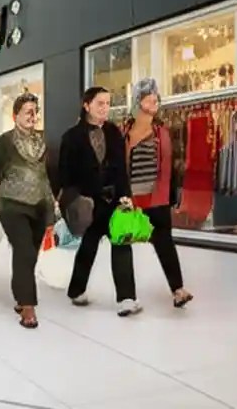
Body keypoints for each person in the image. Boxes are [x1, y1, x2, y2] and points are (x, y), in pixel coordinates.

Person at [60, 86, 138, 316]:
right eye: (100, 103)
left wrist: (126, 195)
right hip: (89, 201)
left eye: (108, 103)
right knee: (88, 245)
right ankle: (76, 289)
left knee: (122, 243)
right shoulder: (71, 137)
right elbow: (65, 175)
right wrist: (74, 200)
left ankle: (126, 298)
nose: (105, 108)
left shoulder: (114, 132)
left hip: (115, 199)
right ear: (87, 106)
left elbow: (122, 169)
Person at [0, 93, 54, 329]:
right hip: (11, 204)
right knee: (24, 250)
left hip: (39, 205)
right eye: (28, 111)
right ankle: (28, 307)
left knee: (29, 255)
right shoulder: (4, 141)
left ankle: (19, 293)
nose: (32, 116)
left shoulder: (43, 142)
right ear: (15, 116)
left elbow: (48, 176)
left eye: (35, 111)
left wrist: (52, 208)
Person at [124, 78, 193, 308]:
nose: (154, 99)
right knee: (121, 246)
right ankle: (126, 297)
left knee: (165, 243)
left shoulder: (162, 131)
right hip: (131, 201)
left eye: (155, 96)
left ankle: (178, 290)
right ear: (137, 101)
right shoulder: (124, 131)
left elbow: (170, 167)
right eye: (147, 96)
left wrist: (172, 196)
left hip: (157, 200)